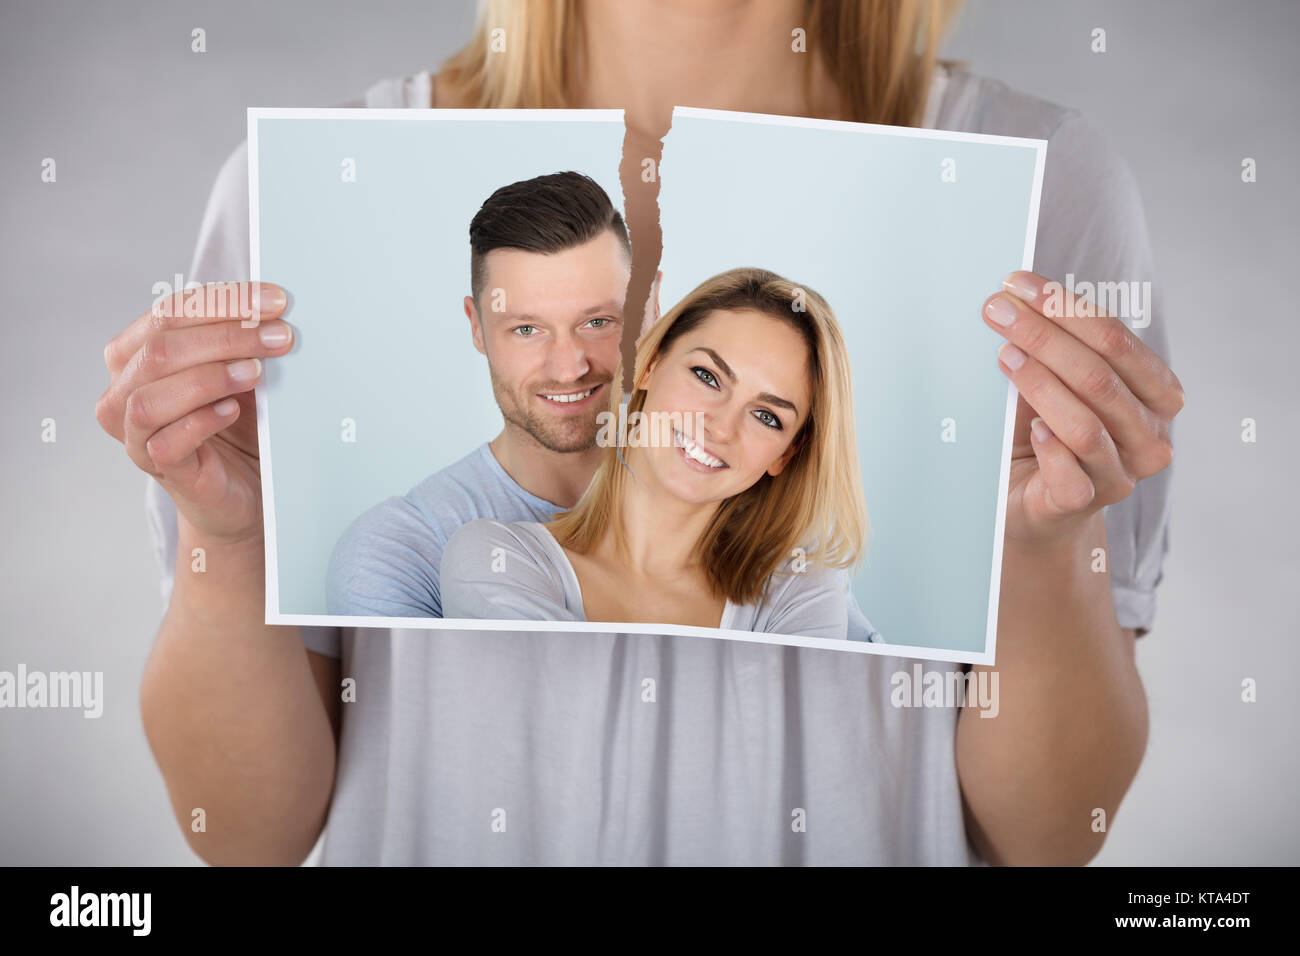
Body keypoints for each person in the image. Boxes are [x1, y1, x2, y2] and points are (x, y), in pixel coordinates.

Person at [101, 0, 1182, 865]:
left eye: (768, 410)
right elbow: (242, 838)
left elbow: (1046, 838)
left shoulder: (1037, 182)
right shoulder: (299, 197)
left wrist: (1043, 554)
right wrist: (225, 551)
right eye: (706, 373)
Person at [442, 268, 866, 642]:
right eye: (708, 376)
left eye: (766, 416)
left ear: (786, 455)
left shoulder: (801, 590)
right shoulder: (496, 558)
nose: (719, 427)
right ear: (650, 364)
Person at [325, 170, 632, 618]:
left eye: (597, 322)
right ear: (477, 327)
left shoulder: (739, 486)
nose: (569, 368)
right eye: (526, 329)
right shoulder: (405, 550)